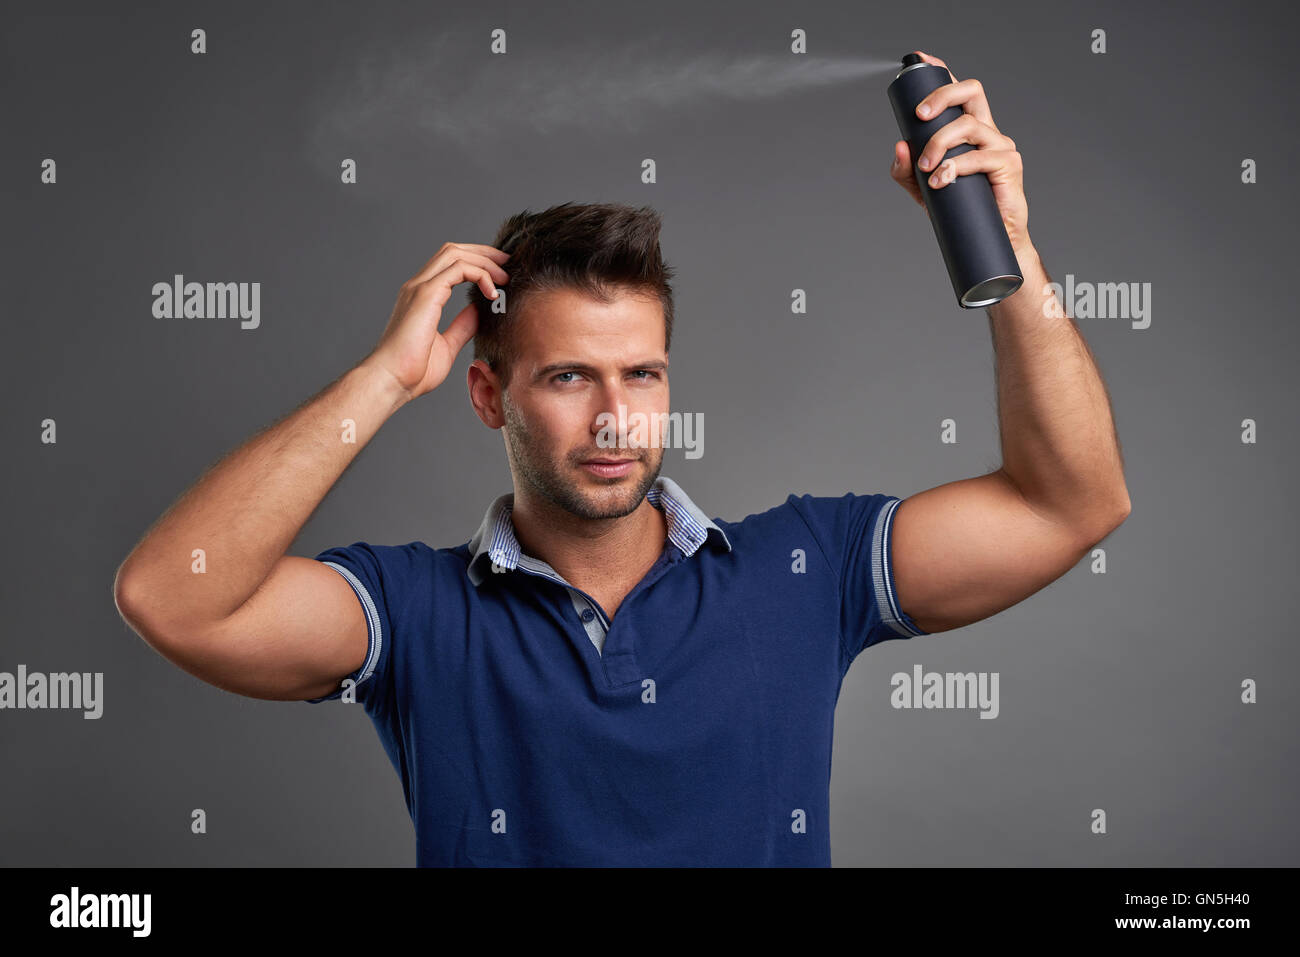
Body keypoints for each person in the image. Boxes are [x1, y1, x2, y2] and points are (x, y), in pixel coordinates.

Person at [113, 51, 1130, 866]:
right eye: (567, 378)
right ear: (486, 393)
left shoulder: (801, 570)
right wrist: (385, 379)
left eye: (641, 375)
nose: (614, 419)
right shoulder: (415, 612)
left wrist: (1017, 255)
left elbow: (1071, 506)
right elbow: (175, 598)